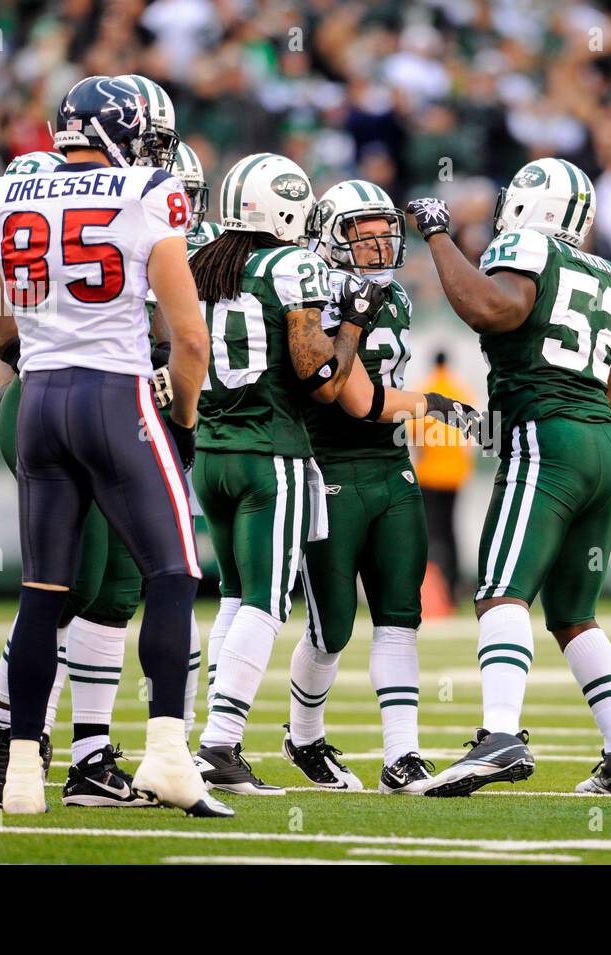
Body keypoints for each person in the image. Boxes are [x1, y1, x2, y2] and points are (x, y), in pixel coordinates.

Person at [0, 75, 225, 817]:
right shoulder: (148, 190)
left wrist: (47, 334)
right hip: (114, 397)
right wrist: (179, 420)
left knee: (43, 591)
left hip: (40, 400)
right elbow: (188, 337)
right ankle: (169, 755)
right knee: (175, 572)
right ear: (120, 133)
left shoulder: (12, 190)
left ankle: (22, 773)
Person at [406, 158, 611, 796]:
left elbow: (495, 308)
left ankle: (500, 737)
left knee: (499, 591)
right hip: (600, 443)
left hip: (551, 440)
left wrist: (439, 238)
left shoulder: (524, 246)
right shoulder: (608, 275)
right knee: (574, 614)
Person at [188, 154, 382, 795]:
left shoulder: (205, 262)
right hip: (272, 454)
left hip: (212, 454)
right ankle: (219, 744)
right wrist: (352, 323)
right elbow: (320, 378)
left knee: (234, 597)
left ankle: (208, 738)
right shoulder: (293, 266)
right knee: (265, 603)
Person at [283, 179, 481, 794]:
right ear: (328, 237)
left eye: (381, 233)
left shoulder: (393, 297)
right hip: (331, 467)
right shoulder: (314, 296)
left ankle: (403, 755)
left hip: (392, 470)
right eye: (358, 235)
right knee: (332, 626)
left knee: (400, 614)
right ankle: (304, 737)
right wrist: (434, 404)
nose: (375, 246)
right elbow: (356, 401)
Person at [409, 351, 475, 601]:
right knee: (450, 531)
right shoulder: (462, 391)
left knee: (430, 533)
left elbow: (414, 436)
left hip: (430, 475)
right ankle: (453, 585)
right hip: (455, 475)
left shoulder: (424, 391)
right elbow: (471, 433)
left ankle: (429, 589)